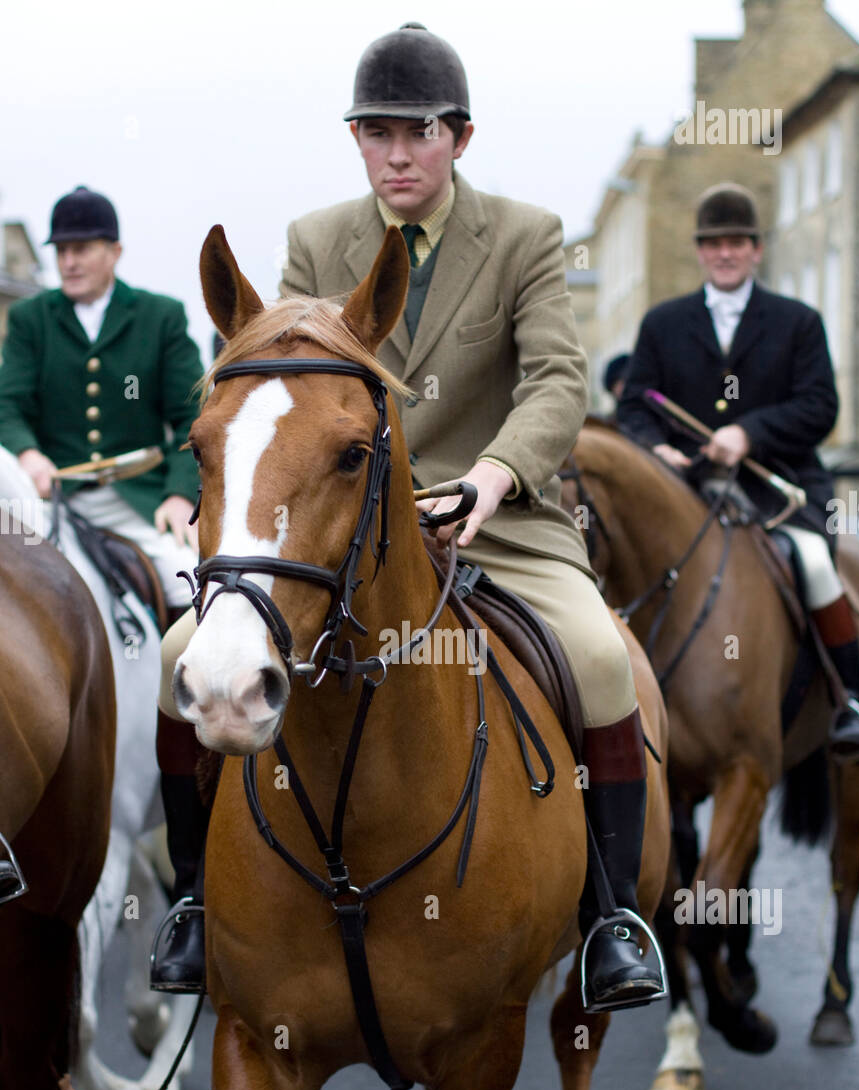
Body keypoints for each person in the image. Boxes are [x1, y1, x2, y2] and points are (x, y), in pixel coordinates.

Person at [154, 21, 666, 1009]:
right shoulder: (314, 239)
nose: (396, 152)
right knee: (186, 645)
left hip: (497, 521)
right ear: (355, 139)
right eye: (375, 131)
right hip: (345, 534)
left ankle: (609, 920)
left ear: (459, 138)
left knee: (600, 660)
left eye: (418, 131)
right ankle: (192, 902)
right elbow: (291, 397)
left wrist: (493, 476)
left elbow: (556, 380)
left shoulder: (524, 234)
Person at [0, 184, 207, 979]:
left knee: (193, 596)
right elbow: (10, 403)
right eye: (62, 249)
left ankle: (205, 766)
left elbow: (192, 409)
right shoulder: (31, 320)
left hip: (135, 506)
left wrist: (184, 495)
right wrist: (24, 452)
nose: (71, 259)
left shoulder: (156, 316)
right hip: (45, 501)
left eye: (84, 247)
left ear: (114, 252)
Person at [617, 181, 859, 760]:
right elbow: (636, 407)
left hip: (779, 486)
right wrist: (657, 451)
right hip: (687, 487)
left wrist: (748, 432)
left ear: (756, 249)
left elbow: (820, 405)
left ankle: (850, 698)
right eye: (713, 243)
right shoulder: (663, 323)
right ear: (701, 251)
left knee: (813, 563)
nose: (725, 253)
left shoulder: (797, 321)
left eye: (737, 242)